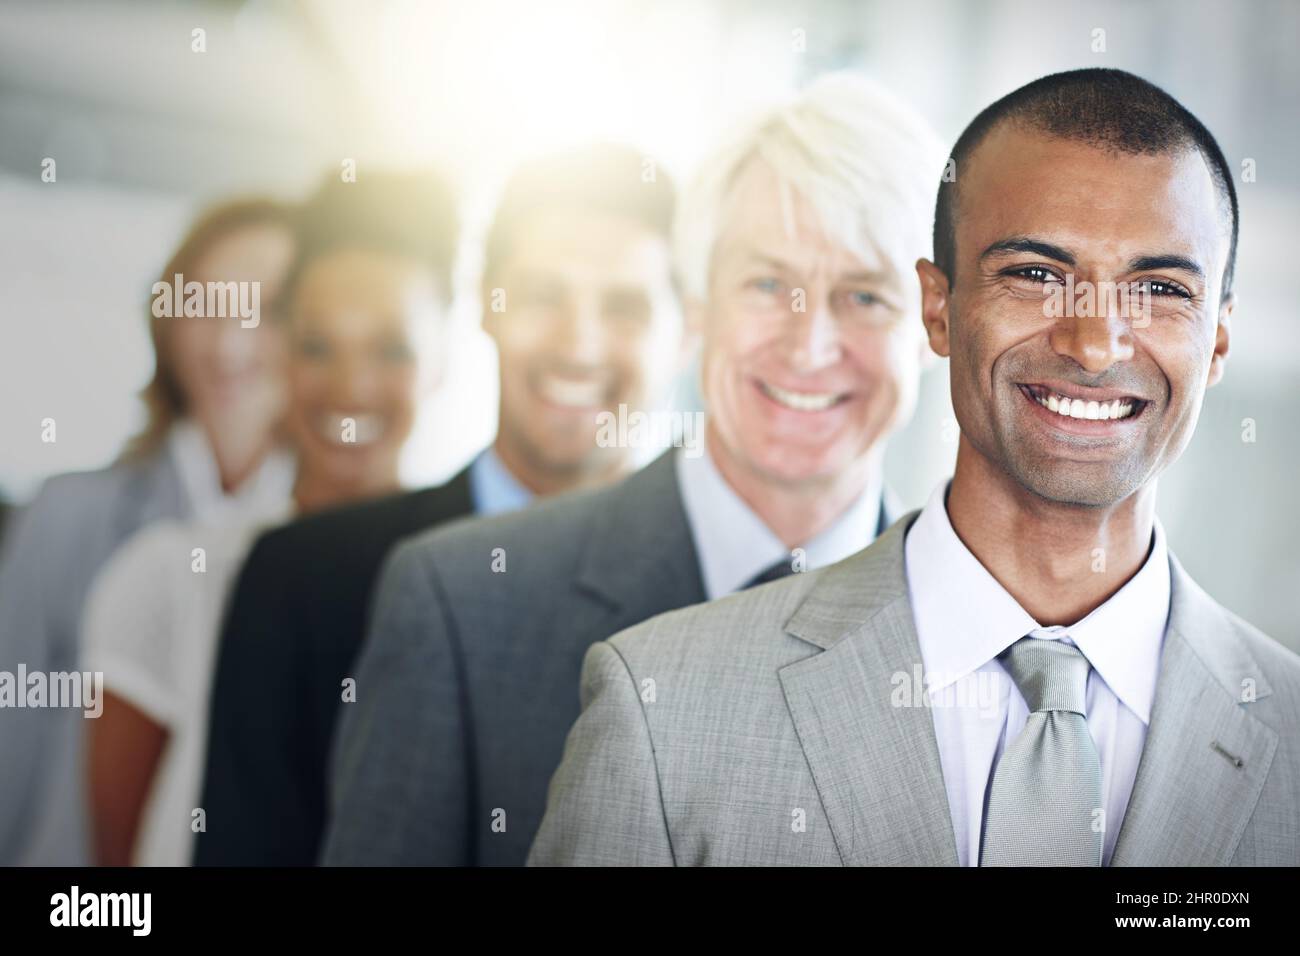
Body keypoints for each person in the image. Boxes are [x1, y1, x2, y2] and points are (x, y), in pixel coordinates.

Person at [528, 68, 1300, 867]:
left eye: (1158, 288)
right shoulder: (662, 705)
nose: (1093, 344)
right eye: (1036, 275)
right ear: (938, 308)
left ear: (1217, 341)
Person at [321, 73, 944, 866]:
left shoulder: (968, 634)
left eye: (865, 297)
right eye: (767, 284)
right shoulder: (460, 601)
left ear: (933, 327)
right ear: (696, 308)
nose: (809, 347)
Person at [193, 144, 683, 865]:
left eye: (624, 306)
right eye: (544, 296)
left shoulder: (717, 600)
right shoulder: (302, 579)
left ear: (688, 327)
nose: (579, 344)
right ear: (488, 302)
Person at [80, 170, 460, 866]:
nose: (353, 385)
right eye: (319, 347)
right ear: (281, 351)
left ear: (442, 361)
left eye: (392, 350)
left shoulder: (471, 576)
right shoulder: (173, 575)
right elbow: (116, 874)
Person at [0, 198, 297, 866]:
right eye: (208, 306)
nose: (230, 343)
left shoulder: (330, 547)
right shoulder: (66, 517)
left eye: (267, 311)